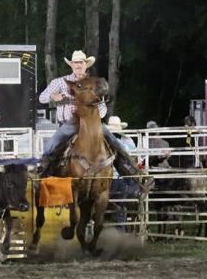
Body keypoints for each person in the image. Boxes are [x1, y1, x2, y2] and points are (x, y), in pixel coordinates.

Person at [37, 50, 149, 188]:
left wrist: (97, 109)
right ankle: (42, 171)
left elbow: (102, 110)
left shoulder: (94, 84)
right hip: (69, 124)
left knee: (114, 141)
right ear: (72, 65)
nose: (78, 65)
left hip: (92, 124)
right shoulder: (60, 82)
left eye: (81, 62)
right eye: (75, 62)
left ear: (86, 65)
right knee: (53, 142)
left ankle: (131, 169)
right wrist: (53, 96)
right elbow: (42, 98)